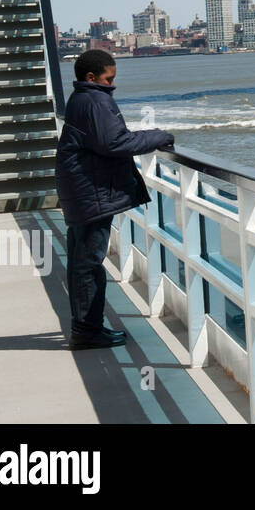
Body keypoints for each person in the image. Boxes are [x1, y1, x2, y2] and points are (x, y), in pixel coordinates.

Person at [55, 49, 175, 349]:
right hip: (91, 192)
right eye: (109, 79)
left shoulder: (82, 99)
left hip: (82, 189)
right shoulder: (95, 100)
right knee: (88, 262)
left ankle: (88, 328)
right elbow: (114, 142)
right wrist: (160, 136)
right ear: (91, 77)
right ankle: (86, 332)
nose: (112, 85)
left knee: (84, 261)